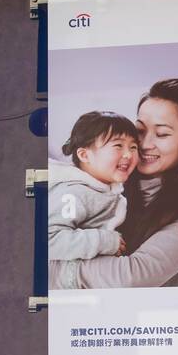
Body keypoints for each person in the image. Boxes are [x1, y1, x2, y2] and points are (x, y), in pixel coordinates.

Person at [52, 78, 178, 290]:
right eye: (139, 131)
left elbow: (131, 277)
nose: (144, 144)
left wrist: (53, 270)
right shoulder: (111, 184)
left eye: (162, 134)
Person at [48, 111, 137, 267]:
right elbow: (49, 240)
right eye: (118, 145)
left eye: (134, 146)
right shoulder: (72, 193)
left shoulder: (109, 190)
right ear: (84, 155)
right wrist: (105, 241)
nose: (129, 154)